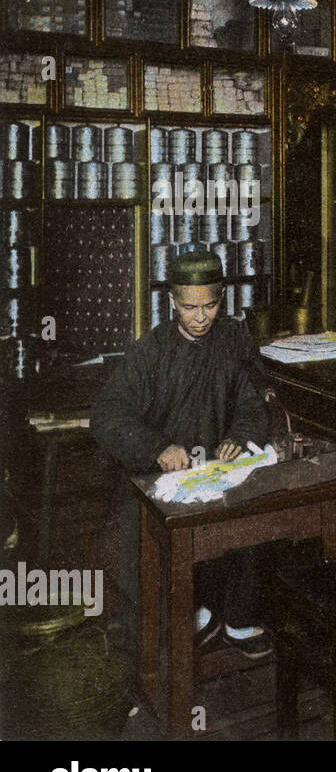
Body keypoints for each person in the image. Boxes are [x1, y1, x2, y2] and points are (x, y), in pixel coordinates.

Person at [91, 248, 273, 659]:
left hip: (215, 469)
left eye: (209, 305)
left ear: (222, 299)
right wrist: (156, 447)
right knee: (140, 549)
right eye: (189, 306)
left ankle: (237, 619)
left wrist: (241, 436)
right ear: (172, 301)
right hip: (159, 477)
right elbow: (106, 414)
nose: (200, 316)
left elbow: (251, 402)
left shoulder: (233, 340)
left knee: (251, 518)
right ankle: (186, 617)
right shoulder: (151, 351)